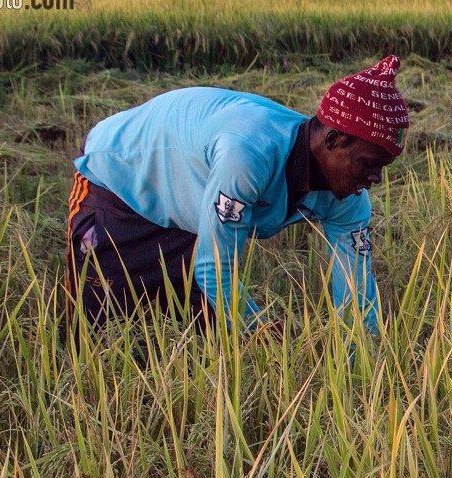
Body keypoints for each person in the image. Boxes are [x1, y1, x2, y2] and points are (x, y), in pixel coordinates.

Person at [60, 55, 409, 342]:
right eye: (369, 165)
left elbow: (355, 285)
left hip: (197, 201)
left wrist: (363, 358)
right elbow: (215, 265)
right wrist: (258, 328)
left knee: (206, 337)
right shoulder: (249, 155)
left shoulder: (349, 196)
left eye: (382, 169)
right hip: (120, 179)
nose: (374, 180)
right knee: (99, 332)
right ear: (334, 141)